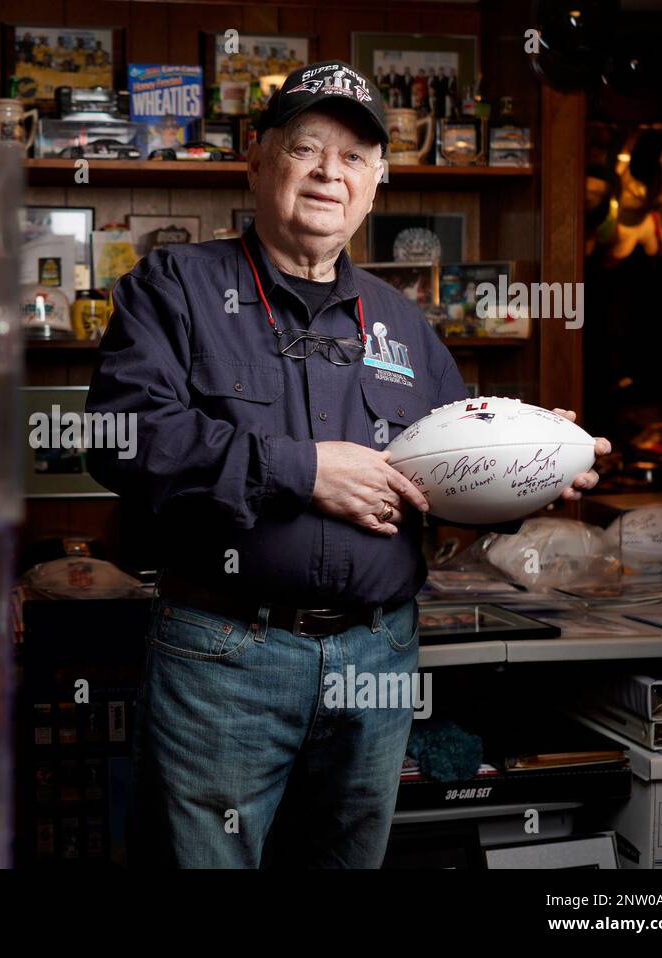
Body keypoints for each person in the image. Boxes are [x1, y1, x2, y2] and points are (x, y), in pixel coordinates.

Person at [84, 60, 609, 868]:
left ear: (375, 185)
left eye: (356, 157)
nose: (332, 172)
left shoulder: (404, 321)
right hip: (225, 656)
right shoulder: (176, 287)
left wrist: (532, 473)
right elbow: (122, 437)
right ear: (257, 162)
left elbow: (445, 485)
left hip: (378, 657)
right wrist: (301, 470)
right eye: (306, 149)